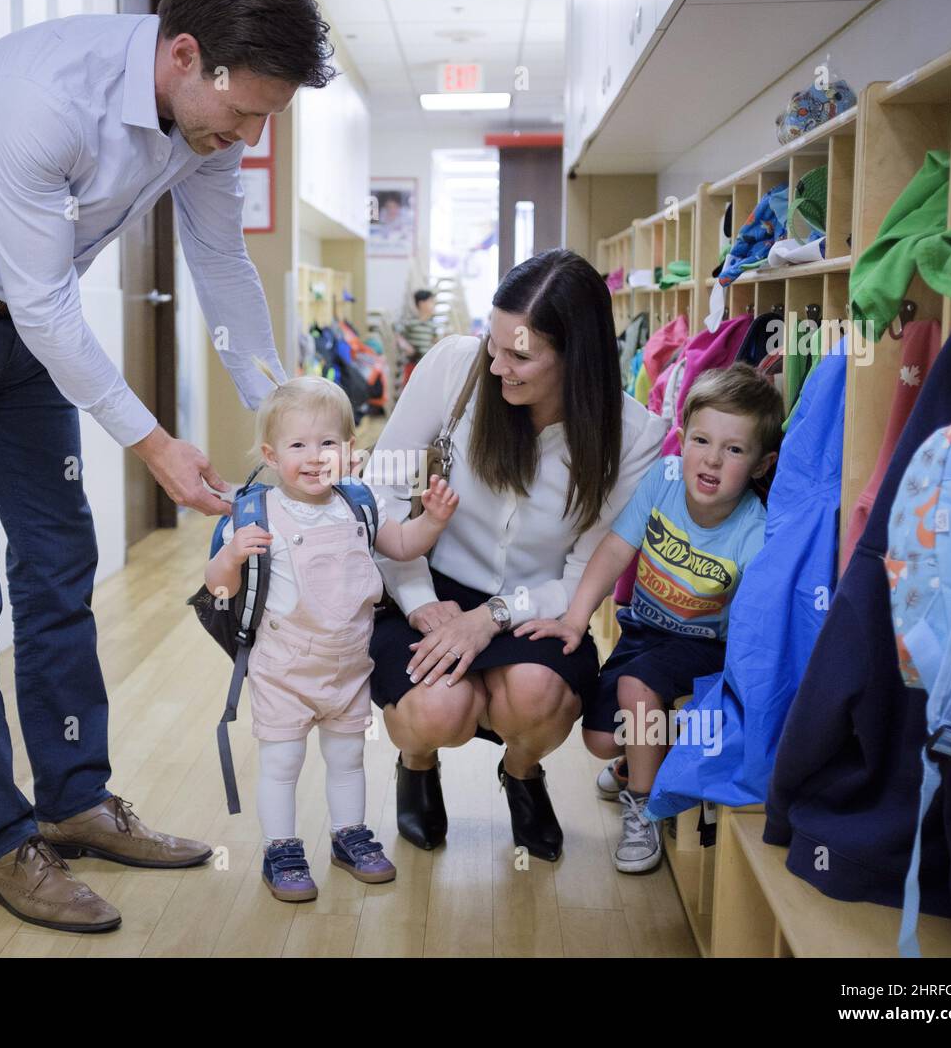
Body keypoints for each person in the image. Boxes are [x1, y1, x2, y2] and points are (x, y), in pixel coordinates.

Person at [0, 0, 335, 933]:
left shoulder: (207, 128)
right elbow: (44, 303)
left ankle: (75, 800)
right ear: (185, 56)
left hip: (22, 323)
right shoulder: (42, 93)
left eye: (269, 120)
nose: (250, 138)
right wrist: (152, 441)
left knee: (59, 565)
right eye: (243, 113)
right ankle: (0, 841)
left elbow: (224, 266)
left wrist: (286, 420)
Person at [362, 248, 670, 861]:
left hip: (538, 605)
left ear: (575, 358)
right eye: (494, 346)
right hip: (424, 581)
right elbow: (383, 489)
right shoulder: (454, 367)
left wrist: (492, 616)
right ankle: (417, 761)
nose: (498, 366)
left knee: (534, 695)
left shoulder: (634, 438)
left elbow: (585, 574)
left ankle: (522, 772)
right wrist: (422, 602)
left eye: (521, 355)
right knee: (440, 706)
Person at [519, 363, 781, 873]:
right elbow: (615, 552)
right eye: (702, 440)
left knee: (638, 688)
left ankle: (644, 807)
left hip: (707, 647)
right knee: (599, 739)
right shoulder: (663, 480)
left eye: (734, 450)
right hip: (644, 630)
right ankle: (640, 760)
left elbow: (757, 619)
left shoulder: (755, 529)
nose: (711, 459)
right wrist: (575, 619)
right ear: (682, 438)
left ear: (760, 464)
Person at [205, 376, 459, 901]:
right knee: (282, 763)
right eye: (298, 445)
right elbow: (220, 590)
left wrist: (431, 522)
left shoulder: (360, 504)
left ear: (349, 449)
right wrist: (230, 557)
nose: (315, 456)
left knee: (347, 758)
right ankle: (282, 849)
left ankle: (350, 837)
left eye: (328, 443)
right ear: (273, 455)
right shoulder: (257, 513)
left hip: (347, 665)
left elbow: (403, 547)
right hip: (282, 667)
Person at [396, 289, 439, 386]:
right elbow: (398, 336)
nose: (433, 305)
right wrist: (407, 347)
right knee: (411, 388)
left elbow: (435, 341)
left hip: (427, 365)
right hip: (413, 363)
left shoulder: (432, 325)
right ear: (421, 304)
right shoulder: (411, 323)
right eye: (431, 302)